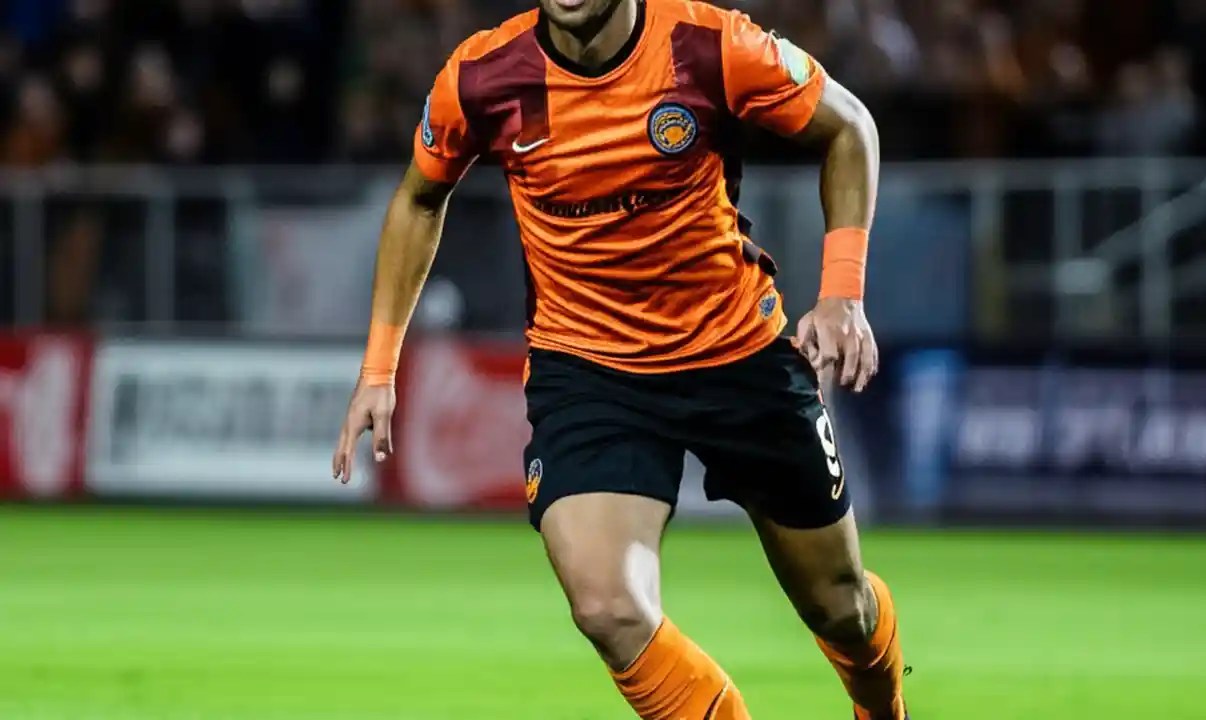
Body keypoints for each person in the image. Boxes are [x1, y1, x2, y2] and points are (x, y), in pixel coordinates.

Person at [332, 0, 908, 717]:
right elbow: (420, 198)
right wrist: (379, 369)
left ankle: (883, 708)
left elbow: (849, 127)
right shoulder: (483, 76)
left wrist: (843, 294)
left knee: (839, 608)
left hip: (736, 351)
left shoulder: (710, 44)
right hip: (590, 371)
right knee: (607, 606)